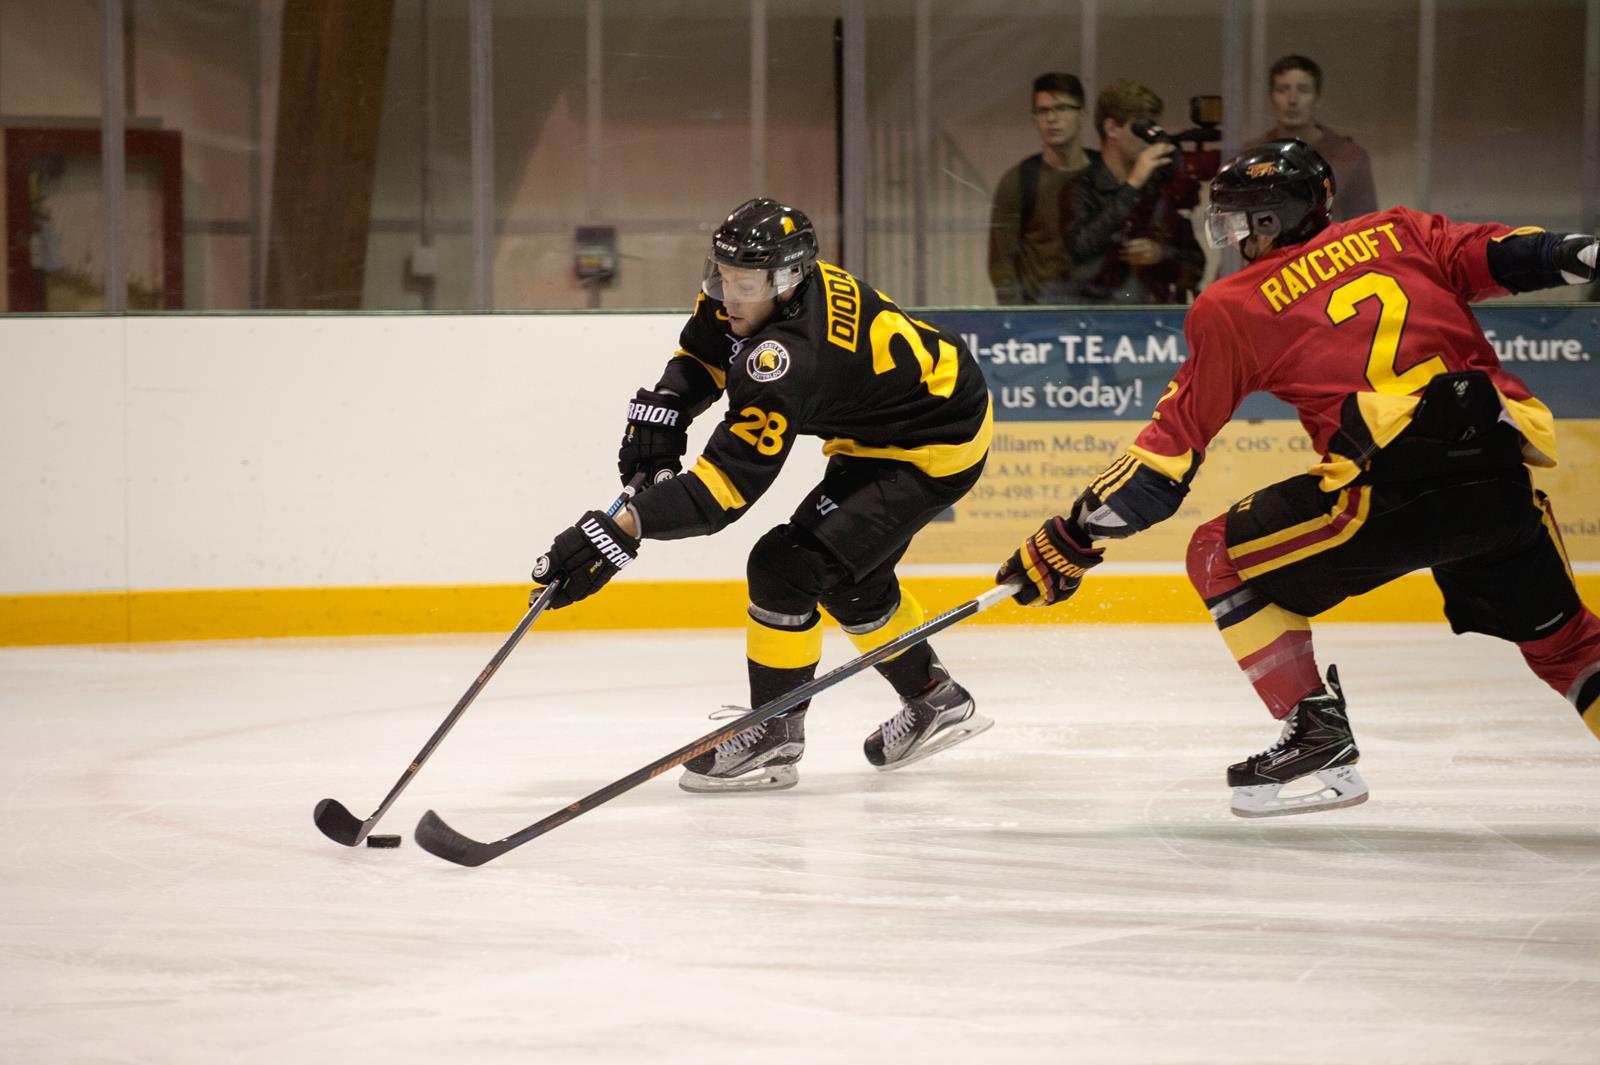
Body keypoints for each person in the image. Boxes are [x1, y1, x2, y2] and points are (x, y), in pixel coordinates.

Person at [997, 139, 1600, 817]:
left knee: (1217, 552)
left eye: (1236, 222)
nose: (1230, 238)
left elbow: (1166, 454)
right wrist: (1580, 251)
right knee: (1571, 645)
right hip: (1500, 479)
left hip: (1389, 491)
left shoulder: (1232, 306)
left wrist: (1075, 533)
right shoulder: (1400, 232)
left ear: (1269, 222)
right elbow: (1508, 253)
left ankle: (1316, 729)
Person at [533, 198, 995, 792]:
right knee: (850, 575)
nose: (728, 295)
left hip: (932, 445)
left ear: (787, 280)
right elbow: (705, 353)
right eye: (721, 277)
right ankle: (937, 699)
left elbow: (723, 493)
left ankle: (775, 734)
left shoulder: (788, 359)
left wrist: (619, 530)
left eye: (743, 284)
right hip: (897, 423)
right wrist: (669, 405)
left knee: (786, 566)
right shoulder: (754, 289)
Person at [1064, 79, 1206, 304]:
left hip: (1153, 316)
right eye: (1141, 128)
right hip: (1097, 316)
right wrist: (1132, 185)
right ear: (1112, 128)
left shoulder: (1159, 188)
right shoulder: (1081, 187)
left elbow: (1195, 263)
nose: (1148, 139)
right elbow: (1079, 248)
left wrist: (1160, 254)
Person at [988, 72, 1095, 305]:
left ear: (1082, 114)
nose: (1052, 119)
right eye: (1043, 111)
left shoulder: (1104, 173)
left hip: (1102, 313)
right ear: (1034, 118)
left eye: (1062, 108)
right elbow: (1001, 262)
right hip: (1040, 320)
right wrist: (1017, 319)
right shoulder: (1019, 181)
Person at [1249, 54, 1377, 222]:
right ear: (1271, 97)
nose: (1292, 100)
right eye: (1283, 89)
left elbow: (1365, 226)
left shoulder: (1350, 156)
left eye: (1303, 90)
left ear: (1318, 98)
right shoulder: (1251, 156)